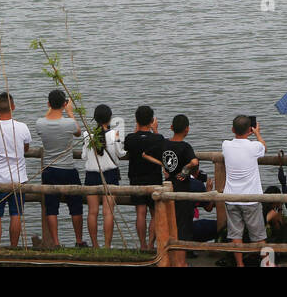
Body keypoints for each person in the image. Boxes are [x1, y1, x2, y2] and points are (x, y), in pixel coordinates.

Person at [35, 90, 85, 247]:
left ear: (48, 104)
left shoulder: (40, 123)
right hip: (68, 168)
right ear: (64, 104)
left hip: (50, 170)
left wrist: (54, 108)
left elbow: (45, 118)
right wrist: (70, 112)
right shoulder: (69, 123)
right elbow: (78, 133)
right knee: (76, 206)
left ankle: (56, 242)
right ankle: (78, 240)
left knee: (51, 207)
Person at [0, 92, 30, 248]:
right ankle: (14, 246)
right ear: (13, 107)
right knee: (16, 214)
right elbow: (26, 148)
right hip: (18, 178)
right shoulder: (22, 127)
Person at [222, 115, 267, 267]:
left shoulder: (226, 145)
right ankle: (267, 263)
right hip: (251, 198)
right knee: (259, 235)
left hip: (231, 197)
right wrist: (258, 133)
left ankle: (240, 265)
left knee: (235, 235)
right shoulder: (254, 147)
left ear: (232, 129)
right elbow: (264, 147)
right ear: (250, 130)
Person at [124, 105, 165, 251]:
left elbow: (132, 141)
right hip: (154, 179)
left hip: (136, 179)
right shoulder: (158, 139)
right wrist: (155, 130)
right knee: (155, 213)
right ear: (152, 120)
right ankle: (151, 244)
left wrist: (137, 128)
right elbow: (163, 147)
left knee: (140, 213)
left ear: (136, 120)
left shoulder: (130, 139)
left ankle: (142, 245)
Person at [82, 104, 123, 248]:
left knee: (92, 212)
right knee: (108, 212)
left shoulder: (87, 135)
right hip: (110, 175)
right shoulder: (115, 134)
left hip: (91, 175)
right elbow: (120, 153)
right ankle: (107, 245)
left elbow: (83, 156)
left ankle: (94, 245)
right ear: (109, 118)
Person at [161, 114, 200, 248]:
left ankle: (168, 250)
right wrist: (186, 168)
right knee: (183, 224)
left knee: (168, 221)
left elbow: (148, 154)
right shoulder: (185, 147)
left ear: (171, 127)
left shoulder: (164, 143)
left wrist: (163, 166)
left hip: (167, 187)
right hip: (182, 189)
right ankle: (183, 255)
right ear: (187, 129)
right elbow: (194, 162)